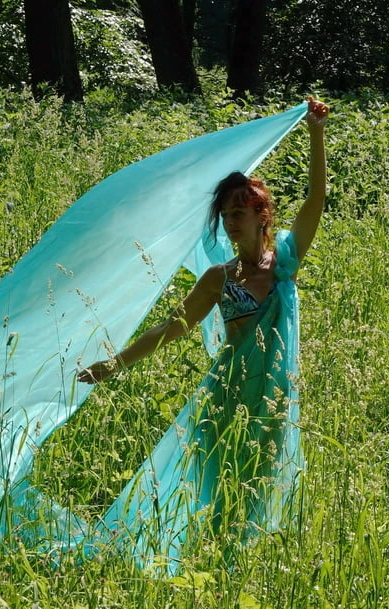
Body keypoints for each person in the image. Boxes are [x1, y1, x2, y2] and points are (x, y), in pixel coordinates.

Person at [76, 96, 329, 569]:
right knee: (220, 489)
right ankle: (211, 572)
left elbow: (316, 199)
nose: (232, 222)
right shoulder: (219, 277)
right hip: (227, 396)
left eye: (240, 212)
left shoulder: (286, 264)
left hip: (273, 396)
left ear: (262, 214)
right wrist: (114, 363)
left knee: (261, 486)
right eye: (227, 216)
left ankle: (243, 571)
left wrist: (315, 134)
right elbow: (172, 327)